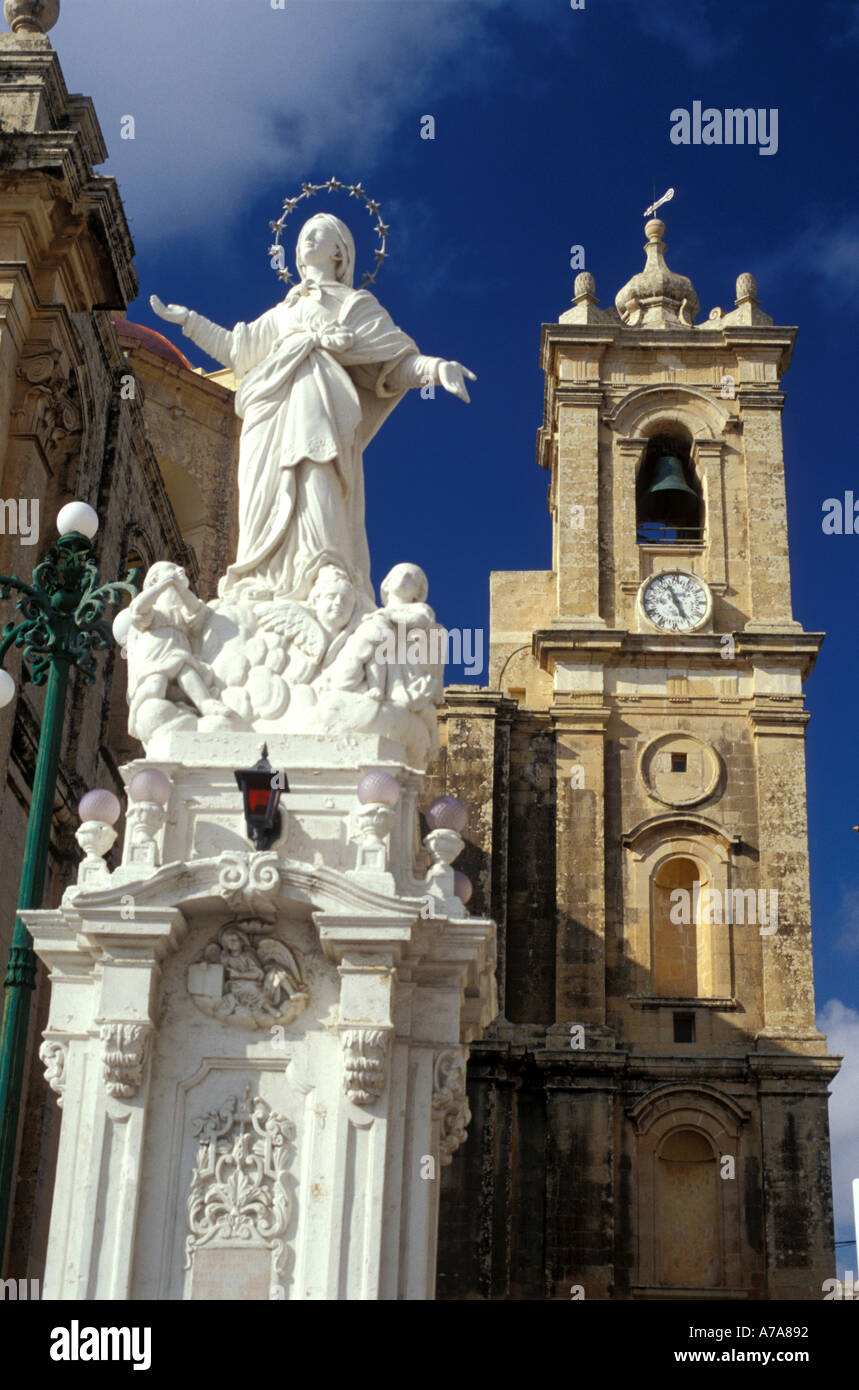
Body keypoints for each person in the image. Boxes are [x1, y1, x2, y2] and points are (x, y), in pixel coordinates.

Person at [151, 212, 476, 604]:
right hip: (267, 412)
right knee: (262, 494)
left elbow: (392, 361)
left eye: (316, 232)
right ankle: (260, 573)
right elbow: (238, 350)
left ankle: (324, 566)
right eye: (301, 234)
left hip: (318, 404)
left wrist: (437, 369)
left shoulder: (356, 306)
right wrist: (188, 320)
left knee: (314, 474)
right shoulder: (285, 310)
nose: (305, 238)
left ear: (339, 251)